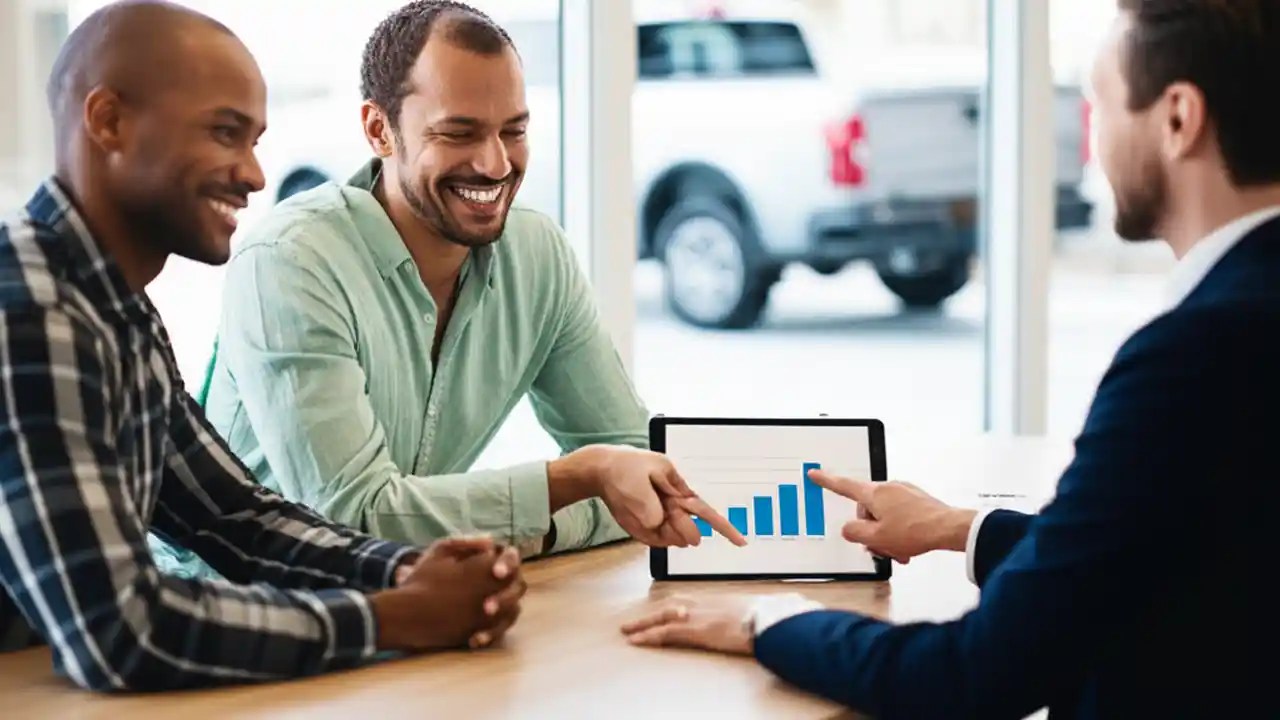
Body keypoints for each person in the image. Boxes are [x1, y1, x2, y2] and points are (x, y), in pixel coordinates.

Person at [622, 1, 1277, 717]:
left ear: (1178, 118)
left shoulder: (1193, 355)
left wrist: (769, 621)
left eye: (1101, 102)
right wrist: (958, 528)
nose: (1092, 134)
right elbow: (1169, 557)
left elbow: (973, 675)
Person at [0, 0, 527, 692]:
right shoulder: (28, 310)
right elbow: (118, 631)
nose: (253, 174)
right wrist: (394, 616)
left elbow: (232, 515)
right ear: (109, 122)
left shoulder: (112, 307)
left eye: (254, 141)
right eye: (225, 135)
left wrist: (402, 570)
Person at [167, 0, 744, 580]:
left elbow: (642, 479)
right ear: (379, 130)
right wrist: (569, 486)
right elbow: (346, 523)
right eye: (458, 133)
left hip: (412, 607)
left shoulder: (537, 255)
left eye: (513, 131)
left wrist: (528, 524)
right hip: (241, 612)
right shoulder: (291, 262)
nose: (495, 164)